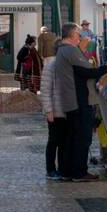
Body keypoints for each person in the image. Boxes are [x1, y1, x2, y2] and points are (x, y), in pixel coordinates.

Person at [52, 22, 107, 181]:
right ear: (72, 35)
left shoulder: (63, 51)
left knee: (72, 137)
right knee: (82, 137)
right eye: (78, 34)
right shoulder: (70, 50)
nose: (80, 37)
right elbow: (87, 72)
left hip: (72, 100)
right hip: (79, 100)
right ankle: (79, 172)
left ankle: (68, 171)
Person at [38, 45, 69, 180]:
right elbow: (45, 90)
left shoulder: (67, 65)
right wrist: (48, 110)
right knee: (53, 141)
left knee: (63, 142)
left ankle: (62, 168)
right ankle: (50, 169)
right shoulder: (51, 66)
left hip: (66, 111)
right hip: (55, 111)